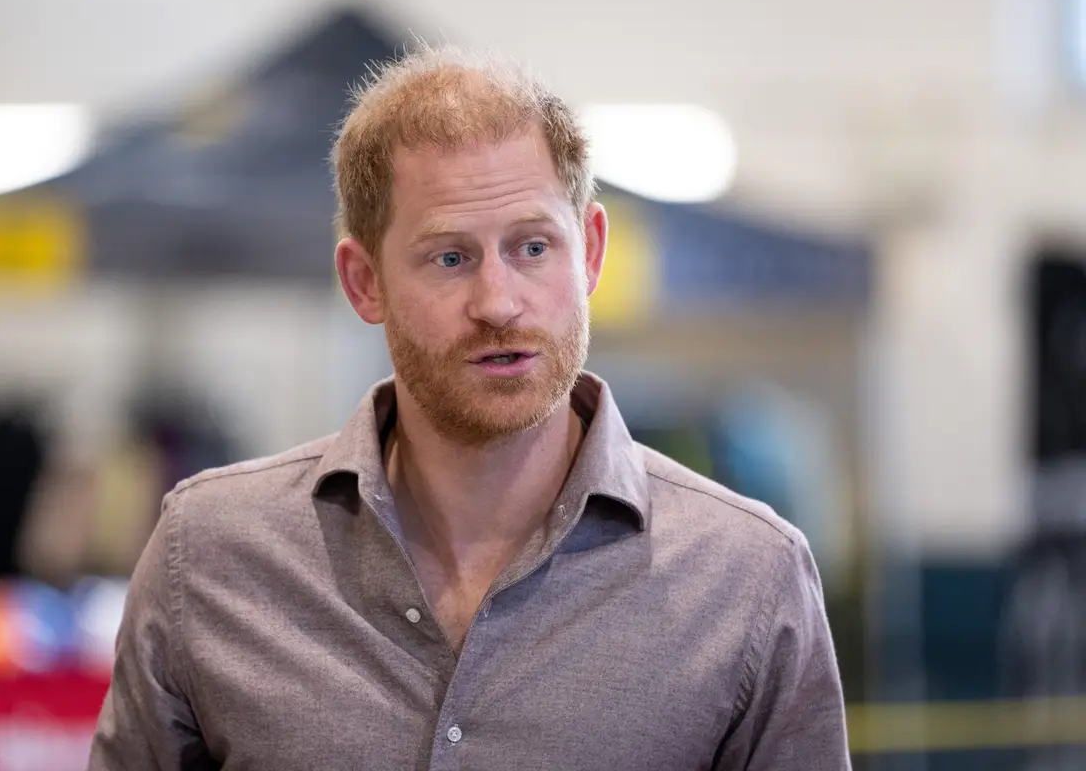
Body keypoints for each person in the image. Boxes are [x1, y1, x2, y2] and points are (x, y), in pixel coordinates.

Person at [88, 46, 851, 770]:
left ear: (589, 252)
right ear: (364, 283)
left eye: (532, 248)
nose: (498, 302)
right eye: (450, 257)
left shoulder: (748, 580)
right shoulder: (210, 557)